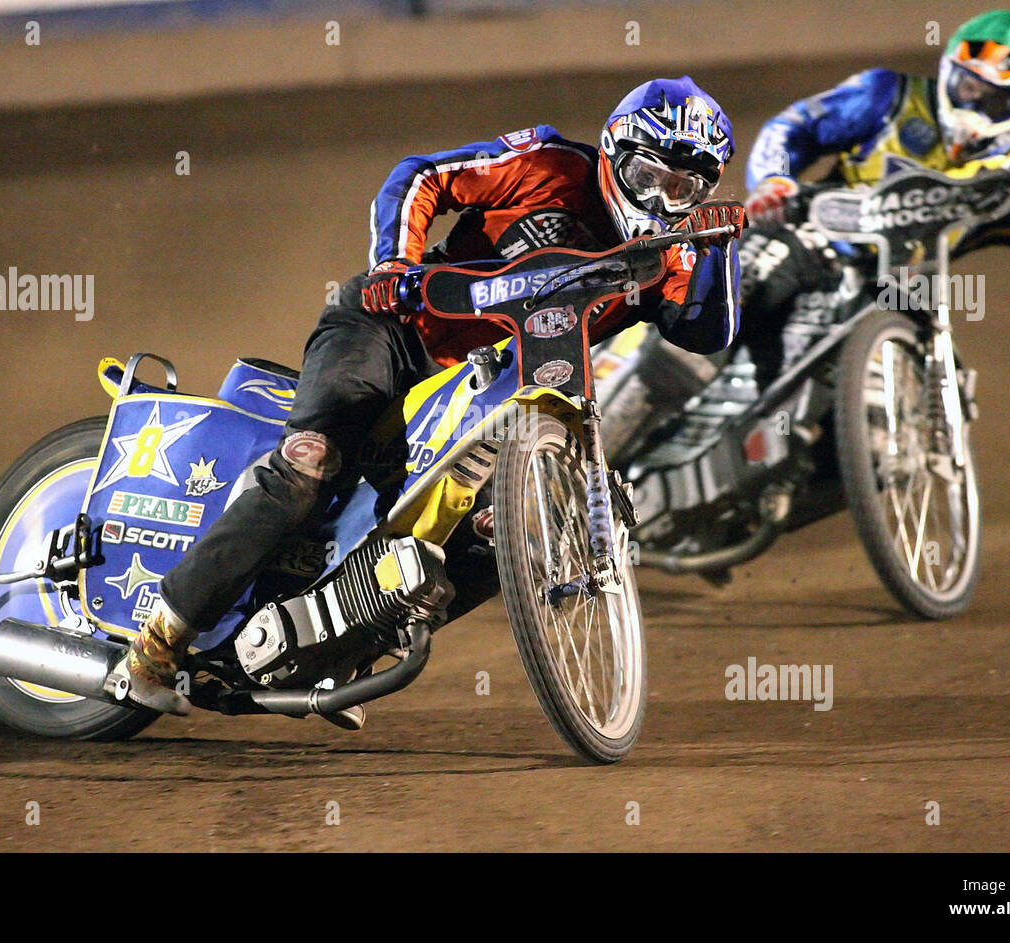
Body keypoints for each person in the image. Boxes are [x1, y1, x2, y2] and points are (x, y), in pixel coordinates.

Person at [112, 76, 748, 716]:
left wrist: (721, 249)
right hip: (390, 332)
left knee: (500, 535)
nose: (661, 197)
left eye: (683, 187)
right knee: (308, 463)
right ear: (614, 152)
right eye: (648, 173)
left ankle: (336, 650)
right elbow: (422, 177)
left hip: (497, 385)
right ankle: (158, 643)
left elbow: (706, 331)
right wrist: (394, 262)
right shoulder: (549, 164)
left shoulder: (673, 252)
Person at [739, 9, 1010, 387]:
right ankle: (686, 345)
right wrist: (774, 181)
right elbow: (794, 126)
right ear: (948, 70)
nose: (972, 107)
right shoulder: (887, 96)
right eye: (967, 87)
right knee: (757, 266)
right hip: (812, 242)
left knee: (913, 386)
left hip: (893, 298)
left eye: (993, 100)